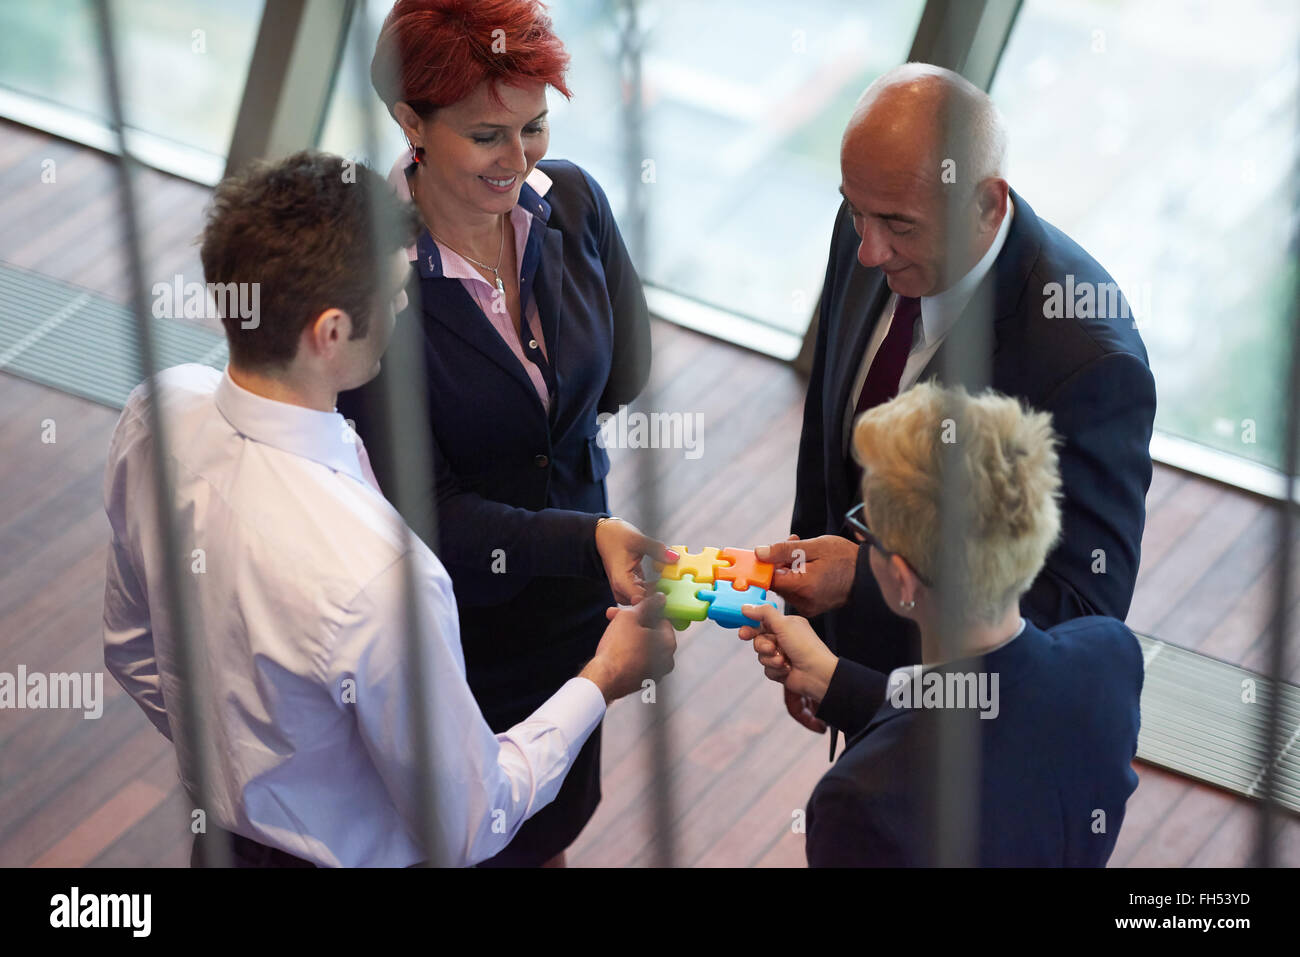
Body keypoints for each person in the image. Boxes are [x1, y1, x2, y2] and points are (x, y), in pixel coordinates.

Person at [101, 151, 676, 868]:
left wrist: (244, 774)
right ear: (332, 333)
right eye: (398, 293)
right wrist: (603, 677)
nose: (407, 308)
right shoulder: (383, 579)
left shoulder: (156, 411)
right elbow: (473, 820)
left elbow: (130, 650)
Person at [338, 0, 667, 867]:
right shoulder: (370, 282)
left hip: (579, 600)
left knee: (548, 818)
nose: (519, 161)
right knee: (468, 831)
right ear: (411, 123)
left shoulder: (577, 203)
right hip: (461, 630)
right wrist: (585, 532)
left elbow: (624, 370)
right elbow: (428, 513)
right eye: (489, 135)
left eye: (536, 127)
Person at [759, 63, 1155, 752]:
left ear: (988, 205)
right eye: (856, 210)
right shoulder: (871, 214)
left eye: (899, 227)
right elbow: (829, 452)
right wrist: (825, 646)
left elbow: (1079, 612)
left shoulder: (1088, 362)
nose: (869, 248)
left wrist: (863, 584)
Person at [741, 382, 1143, 866]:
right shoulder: (1110, 657)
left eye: (867, 528)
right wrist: (835, 682)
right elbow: (1000, 728)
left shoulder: (859, 802)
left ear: (901, 578)